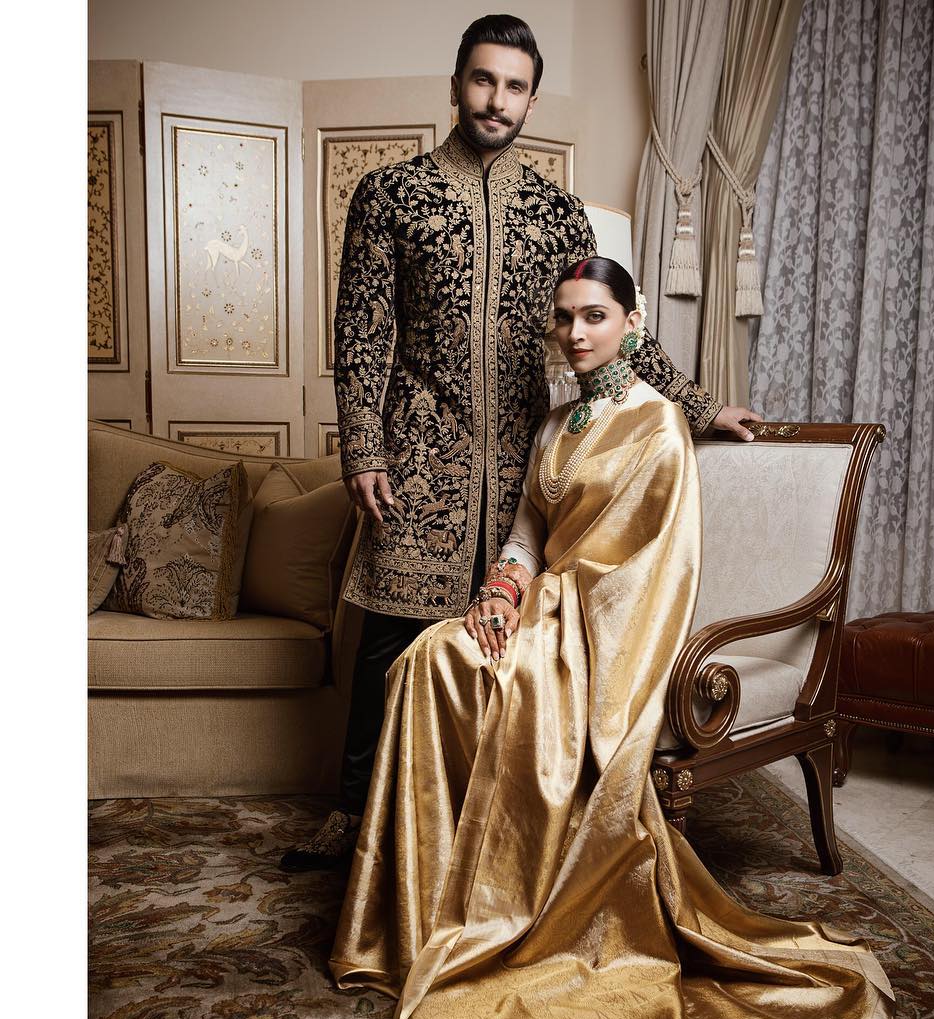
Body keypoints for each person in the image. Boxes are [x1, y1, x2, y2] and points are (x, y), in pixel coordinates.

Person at [329, 257, 895, 1019]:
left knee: (501, 678)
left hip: (612, 631)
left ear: (632, 323)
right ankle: (426, 916)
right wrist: (502, 590)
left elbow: (652, 571)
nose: (575, 333)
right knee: (430, 659)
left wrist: (553, 621)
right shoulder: (557, 422)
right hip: (544, 608)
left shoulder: (657, 424)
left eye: (594, 316)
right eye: (564, 318)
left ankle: (521, 912)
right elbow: (529, 528)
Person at [281, 14, 761, 870]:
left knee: (502, 654)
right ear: (456, 83)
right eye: (482, 80)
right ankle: (354, 816)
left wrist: (698, 405)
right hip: (416, 460)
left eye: (513, 86)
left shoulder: (556, 212)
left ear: (531, 98)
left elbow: (616, 326)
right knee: (390, 643)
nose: (496, 100)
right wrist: (364, 449)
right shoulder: (390, 195)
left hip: (523, 466)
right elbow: (361, 336)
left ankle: (473, 826)